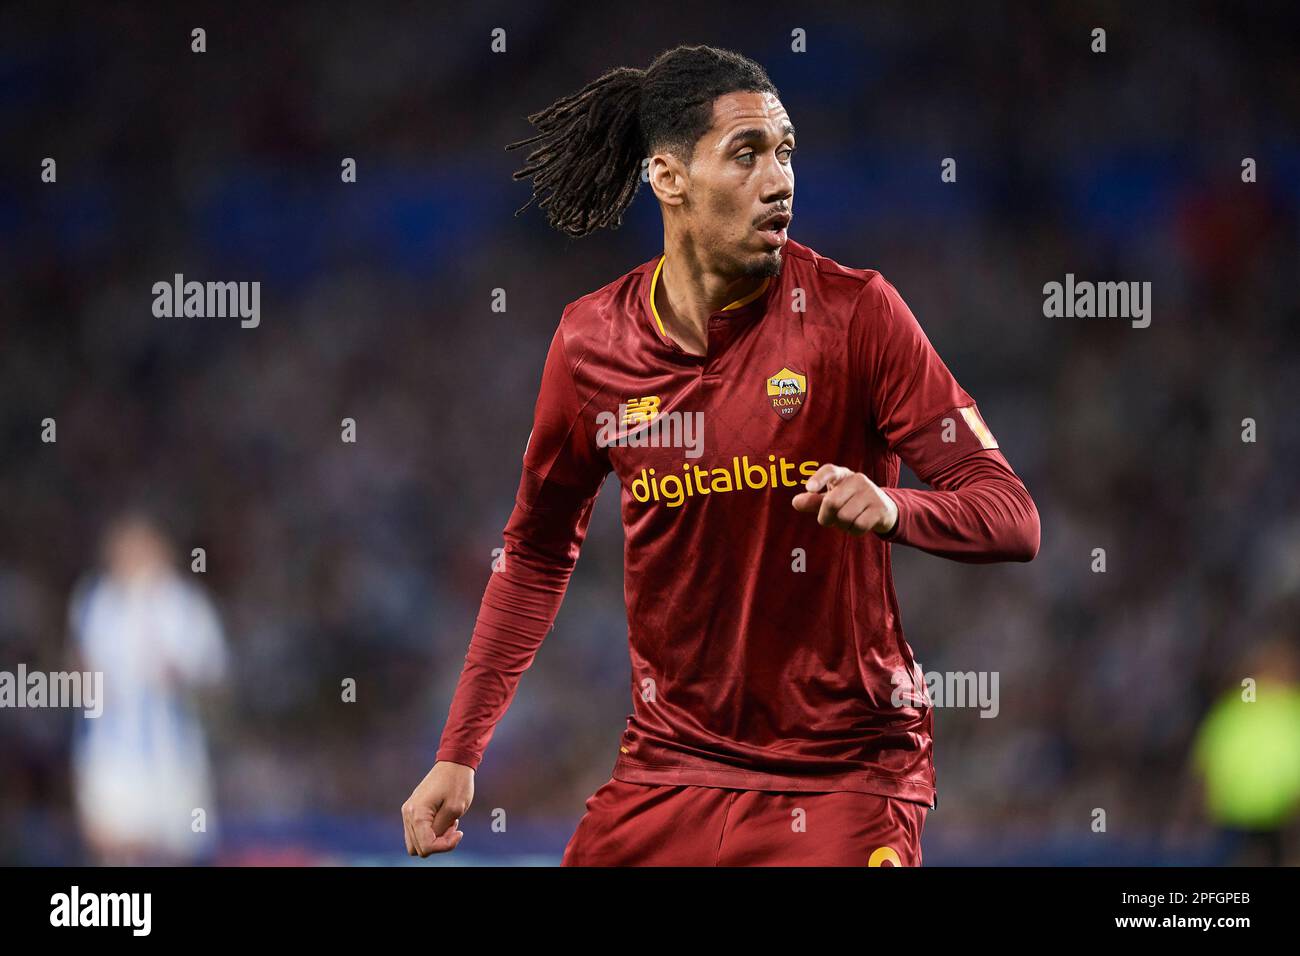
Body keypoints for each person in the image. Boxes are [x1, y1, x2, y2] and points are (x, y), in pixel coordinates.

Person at [402, 44, 1039, 866]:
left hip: (845, 776)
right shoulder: (592, 343)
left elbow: (1011, 515)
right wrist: (459, 750)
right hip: (670, 773)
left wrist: (895, 507)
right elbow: (532, 551)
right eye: (747, 154)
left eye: (786, 153)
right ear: (668, 178)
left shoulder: (856, 316)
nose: (780, 181)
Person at [68, 512, 228, 864]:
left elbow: (213, 676)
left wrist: (179, 680)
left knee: (177, 845)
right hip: (112, 745)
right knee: (111, 840)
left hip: (173, 748)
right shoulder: (95, 601)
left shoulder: (185, 606)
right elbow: (78, 665)